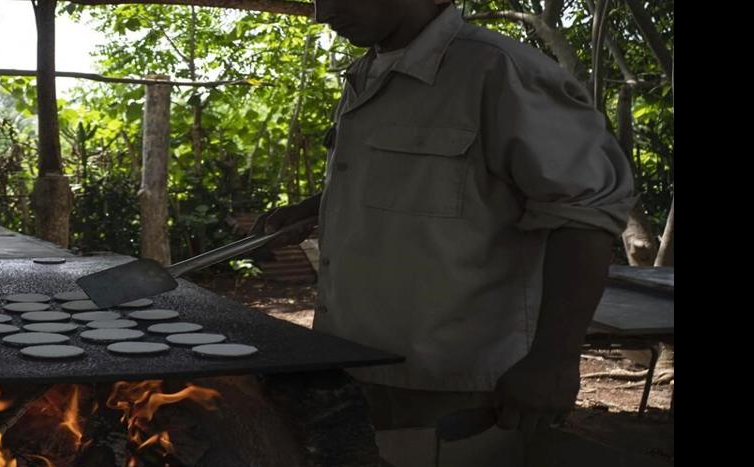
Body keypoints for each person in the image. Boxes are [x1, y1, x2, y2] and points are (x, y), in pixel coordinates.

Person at [254, 0, 636, 431]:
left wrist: (553, 361)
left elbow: (585, 216)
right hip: (352, 360)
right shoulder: (365, 72)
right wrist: (312, 208)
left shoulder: (501, 71)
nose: (324, 13)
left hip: (458, 382)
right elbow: (409, 179)